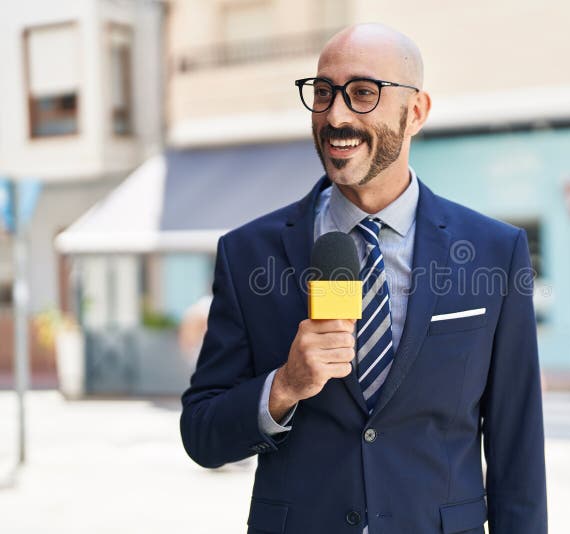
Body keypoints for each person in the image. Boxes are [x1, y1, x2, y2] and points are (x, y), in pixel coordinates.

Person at [180, 23, 547, 534]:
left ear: (415, 112)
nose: (336, 115)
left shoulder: (494, 253)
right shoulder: (247, 254)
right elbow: (202, 434)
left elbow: (518, 452)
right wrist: (283, 387)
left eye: (363, 93)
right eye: (324, 93)